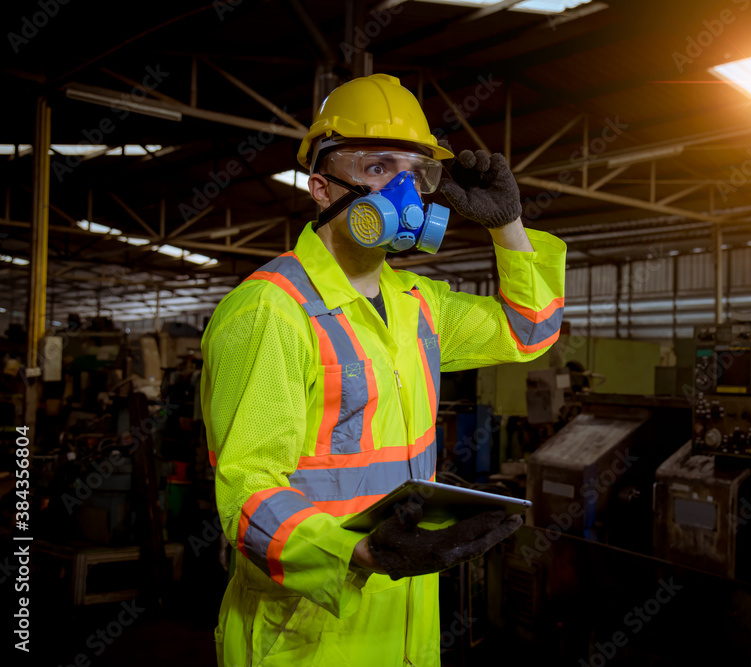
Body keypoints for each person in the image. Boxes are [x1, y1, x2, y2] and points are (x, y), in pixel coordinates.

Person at [200, 73, 566, 666]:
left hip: (404, 613)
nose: (403, 188)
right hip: (308, 627)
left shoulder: (418, 305)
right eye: (377, 167)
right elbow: (246, 488)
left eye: (416, 172)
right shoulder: (270, 309)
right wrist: (360, 553)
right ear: (321, 187)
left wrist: (508, 225)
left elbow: (531, 331)